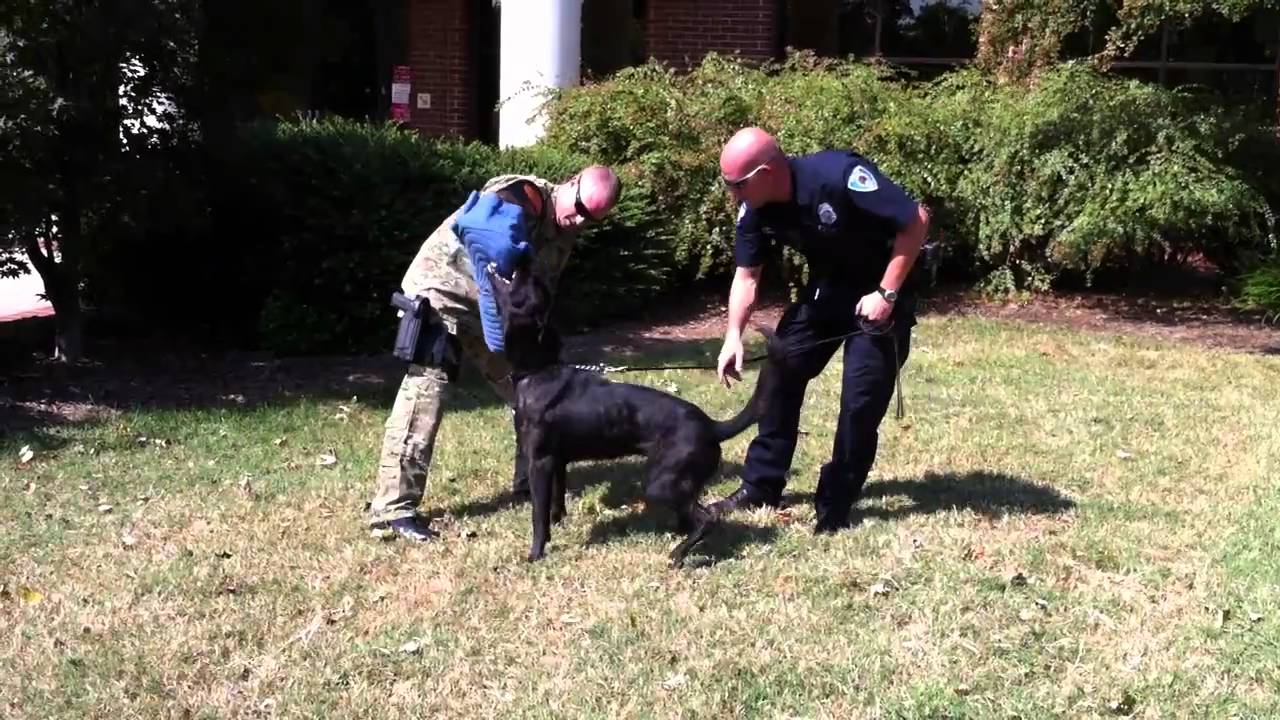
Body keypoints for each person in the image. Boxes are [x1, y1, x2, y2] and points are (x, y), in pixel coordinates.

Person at [368, 165, 622, 542]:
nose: (580, 219)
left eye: (591, 218)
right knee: (426, 391)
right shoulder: (527, 195)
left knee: (531, 393)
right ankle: (393, 509)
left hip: (487, 313)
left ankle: (529, 482)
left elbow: (535, 294)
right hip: (440, 292)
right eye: (580, 208)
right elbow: (489, 218)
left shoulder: (563, 233)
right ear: (571, 184)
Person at [711, 127, 930, 533]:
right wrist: (732, 337)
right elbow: (747, 275)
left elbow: (916, 220)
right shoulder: (755, 208)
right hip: (828, 292)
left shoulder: (837, 176)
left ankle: (835, 504)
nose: (732, 194)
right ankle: (761, 485)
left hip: (880, 294)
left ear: (767, 172)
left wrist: (886, 293)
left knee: (860, 399)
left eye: (737, 185)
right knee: (781, 367)